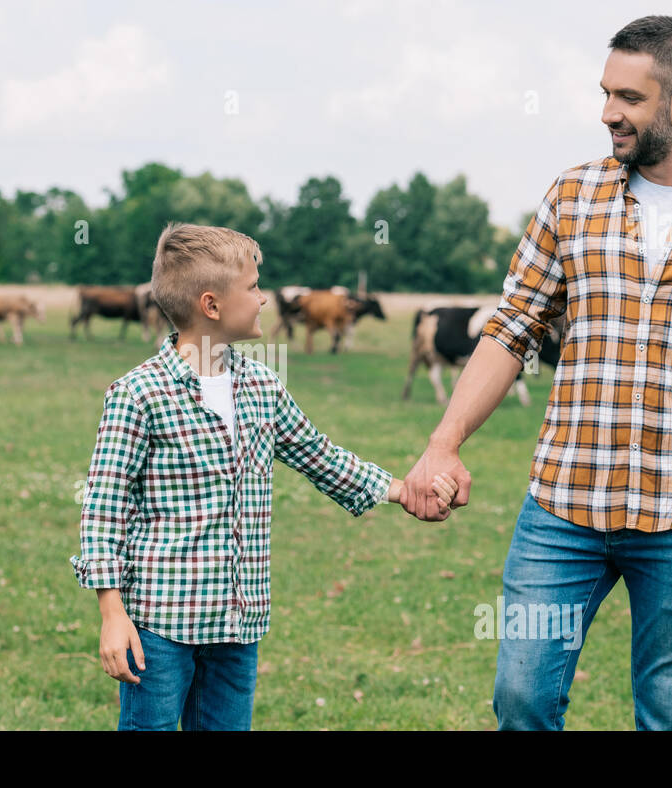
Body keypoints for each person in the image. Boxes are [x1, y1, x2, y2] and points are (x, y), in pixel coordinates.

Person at [400, 15, 672, 730]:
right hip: (563, 506)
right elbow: (511, 327)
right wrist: (445, 441)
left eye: (629, 97)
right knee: (522, 695)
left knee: (667, 712)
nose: (607, 113)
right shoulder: (572, 197)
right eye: (605, 93)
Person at [70, 222, 456, 731]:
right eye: (252, 288)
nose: (264, 299)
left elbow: (319, 456)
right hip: (158, 624)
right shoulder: (138, 394)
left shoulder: (261, 386)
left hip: (237, 624)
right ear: (211, 306)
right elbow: (104, 508)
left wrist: (402, 490)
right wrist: (112, 615)